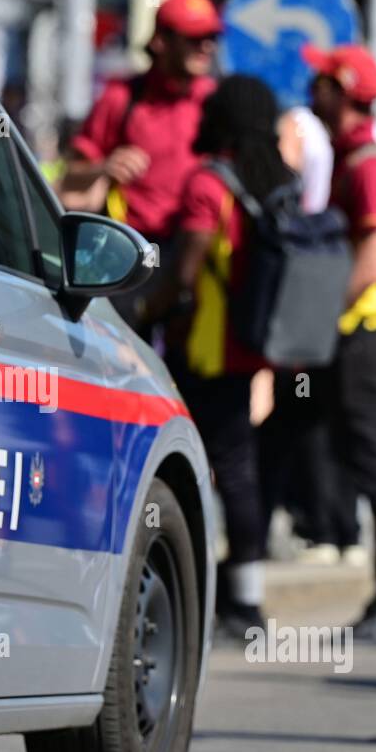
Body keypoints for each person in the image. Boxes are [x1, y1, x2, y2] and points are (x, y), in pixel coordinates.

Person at [149, 75, 296, 637]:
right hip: (250, 345)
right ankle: (245, 601)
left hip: (202, 347)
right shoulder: (274, 181)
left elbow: (184, 269)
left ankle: (198, 596)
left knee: (187, 467)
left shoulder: (208, 184)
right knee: (239, 470)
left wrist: (148, 312)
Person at [302, 43, 376, 643]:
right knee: (312, 445)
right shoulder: (352, 155)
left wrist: (322, 313)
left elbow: (373, 254)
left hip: (362, 336)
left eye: (321, 79)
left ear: (342, 90)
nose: (311, 87)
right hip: (352, 335)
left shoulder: (366, 163)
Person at [60, 0, 220, 332]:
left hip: (192, 260)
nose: (206, 47)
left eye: (211, 37)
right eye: (194, 38)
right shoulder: (121, 98)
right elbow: (70, 177)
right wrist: (104, 166)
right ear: (161, 41)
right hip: (129, 258)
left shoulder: (214, 102)